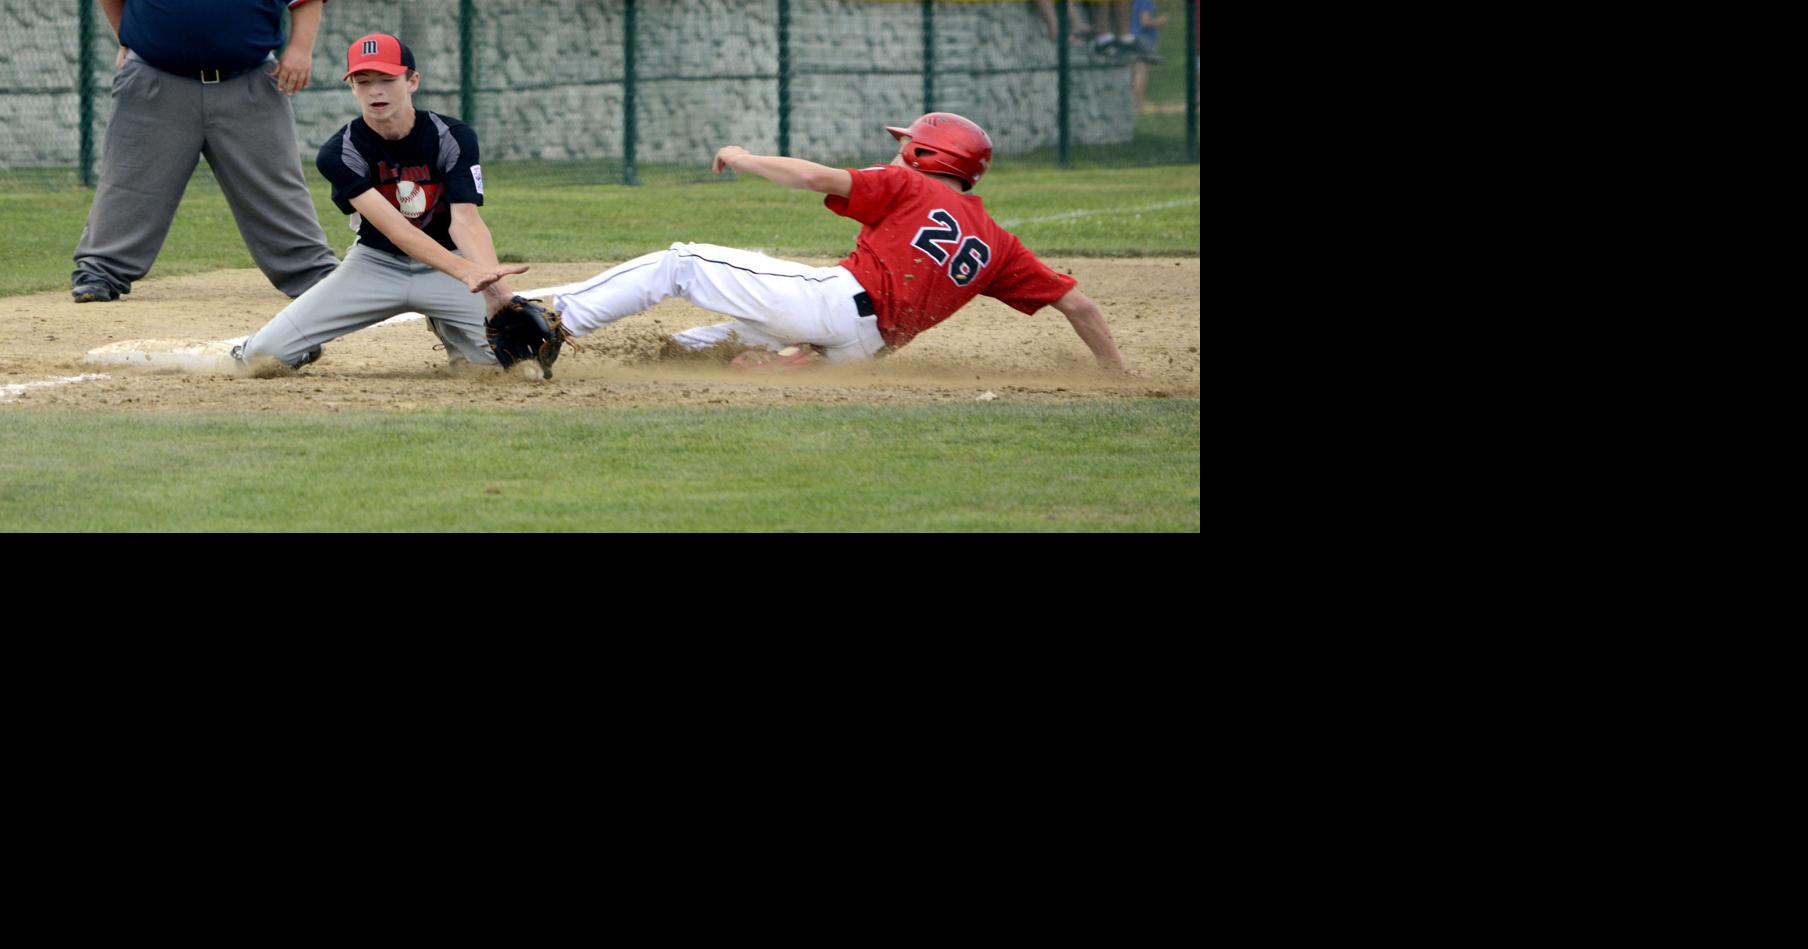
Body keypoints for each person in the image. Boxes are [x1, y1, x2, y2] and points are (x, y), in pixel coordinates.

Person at [531, 113, 1126, 372]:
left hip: (835, 302)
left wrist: (742, 157)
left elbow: (815, 177)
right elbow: (1081, 306)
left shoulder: (906, 183)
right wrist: (1115, 374)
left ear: (926, 154)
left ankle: (547, 331)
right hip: (865, 350)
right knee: (686, 349)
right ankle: (781, 363)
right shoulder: (1000, 243)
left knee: (682, 262)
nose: (898, 151)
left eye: (906, 143)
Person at [232, 33, 526, 373]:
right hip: (375, 265)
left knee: (513, 365)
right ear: (352, 87)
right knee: (260, 360)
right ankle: (286, 346)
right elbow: (397, 230)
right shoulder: (340, 151)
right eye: (363, 81)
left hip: (447, 266)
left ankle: (450, 327)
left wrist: (496, 292)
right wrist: (467, 273)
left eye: (387, 79)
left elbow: (466, 221)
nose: (375, 91)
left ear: (412, 81)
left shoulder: (453, 136)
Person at [71, 0, 340, 304]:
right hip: (155, 77)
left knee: (277, 188)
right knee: (128, 184)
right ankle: (100, 272)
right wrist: (128, 38)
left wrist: (301, 49)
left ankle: (311, 271)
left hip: (249, 78)